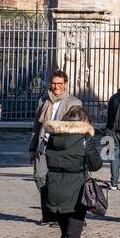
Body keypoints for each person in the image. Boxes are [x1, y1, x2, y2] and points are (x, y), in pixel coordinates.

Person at [42, 105, 103, 238]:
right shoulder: (85, 138)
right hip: (76, 190)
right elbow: (96, 164)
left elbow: (47, 158)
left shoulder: (53, 136)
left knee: (66, 236)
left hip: (54, 188)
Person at [30, 70, 82, 225]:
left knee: (58, 182)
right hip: (43, 145)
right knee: (39, 177)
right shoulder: (44, 101)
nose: (56, 87)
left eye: (59, 84)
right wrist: (32, 148)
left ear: (65, 84)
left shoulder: (74, 103)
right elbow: (36, 126)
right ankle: (51, 210)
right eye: (53, 83)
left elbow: (77, 127)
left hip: (61, 148)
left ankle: (54, 214)